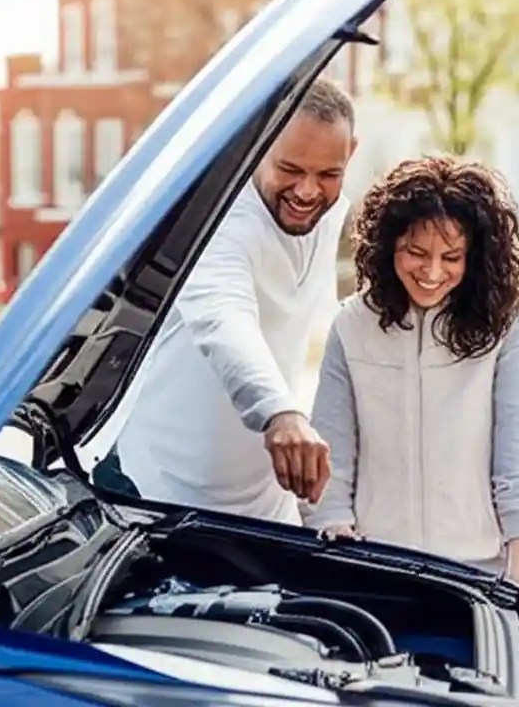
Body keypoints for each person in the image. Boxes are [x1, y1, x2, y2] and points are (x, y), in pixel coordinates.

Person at [113, 78, 359, 525]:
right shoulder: (217, 222)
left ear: (351, 154)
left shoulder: (330, 210)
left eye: (328, 174)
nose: (307, 191)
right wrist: (281, 413)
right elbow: (226, 319)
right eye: (290, 168)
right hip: (160, 494)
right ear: (259, 142)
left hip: (266, 501)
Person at [302, 155, 519, 595]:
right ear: (387, 245)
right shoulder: (352, 324)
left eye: (451, 257)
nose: (433, 272)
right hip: (377, 566)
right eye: (416, 252)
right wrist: (334, 528)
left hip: (477, 573)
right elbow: (333, 447)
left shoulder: (510, 323)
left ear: (474, 256)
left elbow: (516, 450)